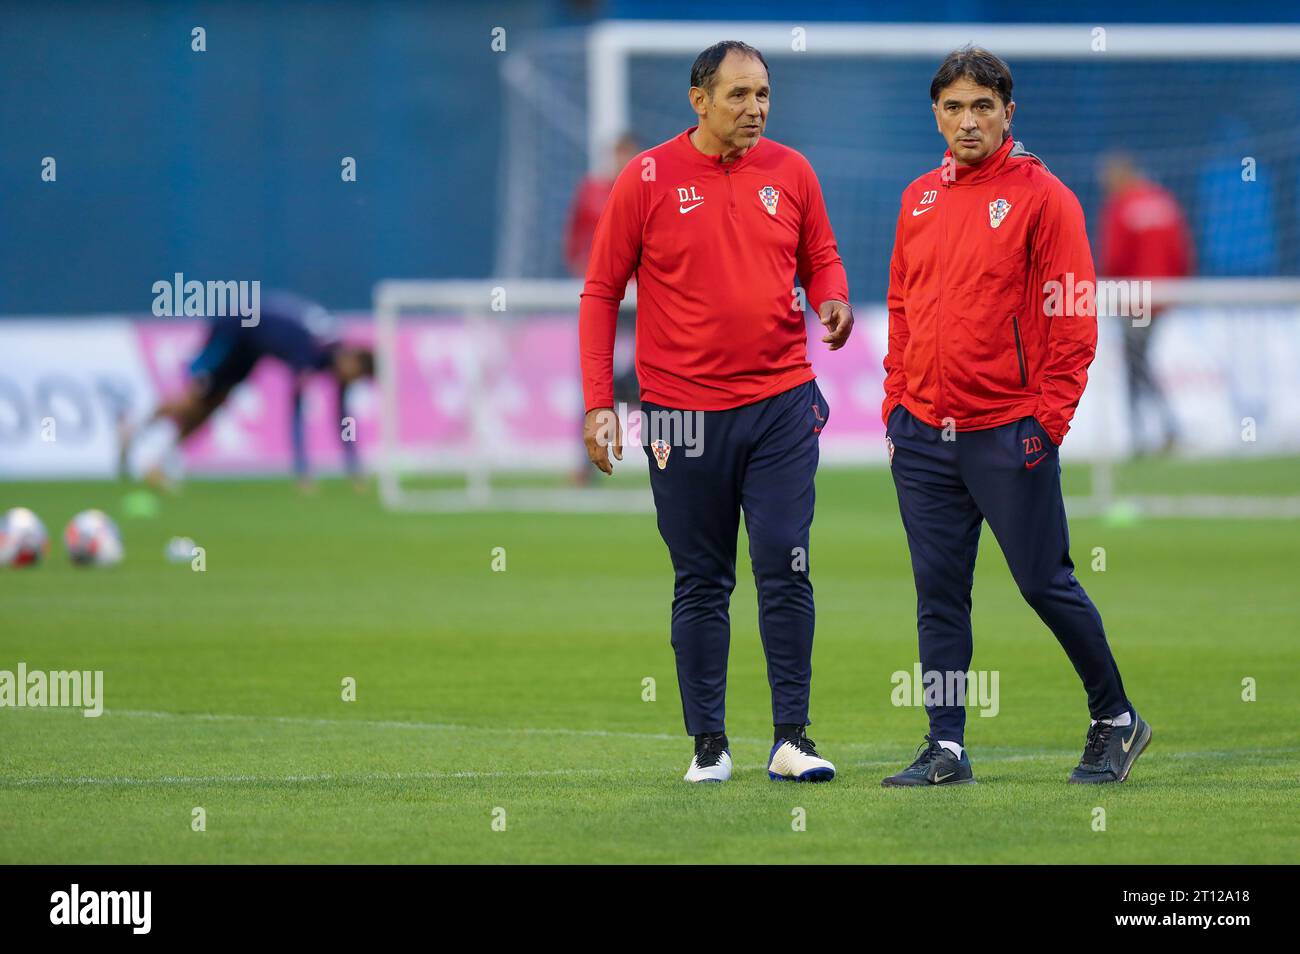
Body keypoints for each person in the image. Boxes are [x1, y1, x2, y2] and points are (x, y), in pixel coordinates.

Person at [579, 41, 853, 783]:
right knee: (702, 579)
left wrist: (831, 295)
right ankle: (710, 747)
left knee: (785, 563)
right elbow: (602, 291)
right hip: (680, 414)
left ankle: (792, 738)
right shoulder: (645, 179)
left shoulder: (792, 172)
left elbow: (821, 255)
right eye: (738, 94)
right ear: (698, 99)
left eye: (763, 93)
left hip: (780, 406)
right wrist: (600, 404)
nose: (755, 108)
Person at [880, 47, 1150, 787]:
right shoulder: (917, 199)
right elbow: (903, 306)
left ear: (1008, 112)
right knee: (938, 596)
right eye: (953, 107)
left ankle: (1117, 719)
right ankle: (947, 747)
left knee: (1043, 582)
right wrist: (896, 402)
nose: (967, 121)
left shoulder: (1045, 198)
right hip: (924, 434)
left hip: (1009, 433)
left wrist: (1046, 426)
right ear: (936, 113)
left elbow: (1073, 320)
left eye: (982, 107)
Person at [123, 291, 374, 490]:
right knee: (198, 398)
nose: (350, 383)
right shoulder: (313, 351)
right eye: (356, 377)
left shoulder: (335, 355)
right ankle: (133, 424)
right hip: (238, 327)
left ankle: (159, 461)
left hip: (254, 346)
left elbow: (342, 418)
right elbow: (296, 408)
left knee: (214, 406)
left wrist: (354, 467)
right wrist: (303, 471)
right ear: (351, 361)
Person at [1098, 151, 1193, 455]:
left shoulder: (1121, 206)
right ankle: (1162, 429)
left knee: (1135, 363)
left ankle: (1145, 434)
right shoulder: (1164, 201)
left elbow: (1114, 258)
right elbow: (1181, 252)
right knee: (1139, 360)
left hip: (1134, 298)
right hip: (1163, 295)